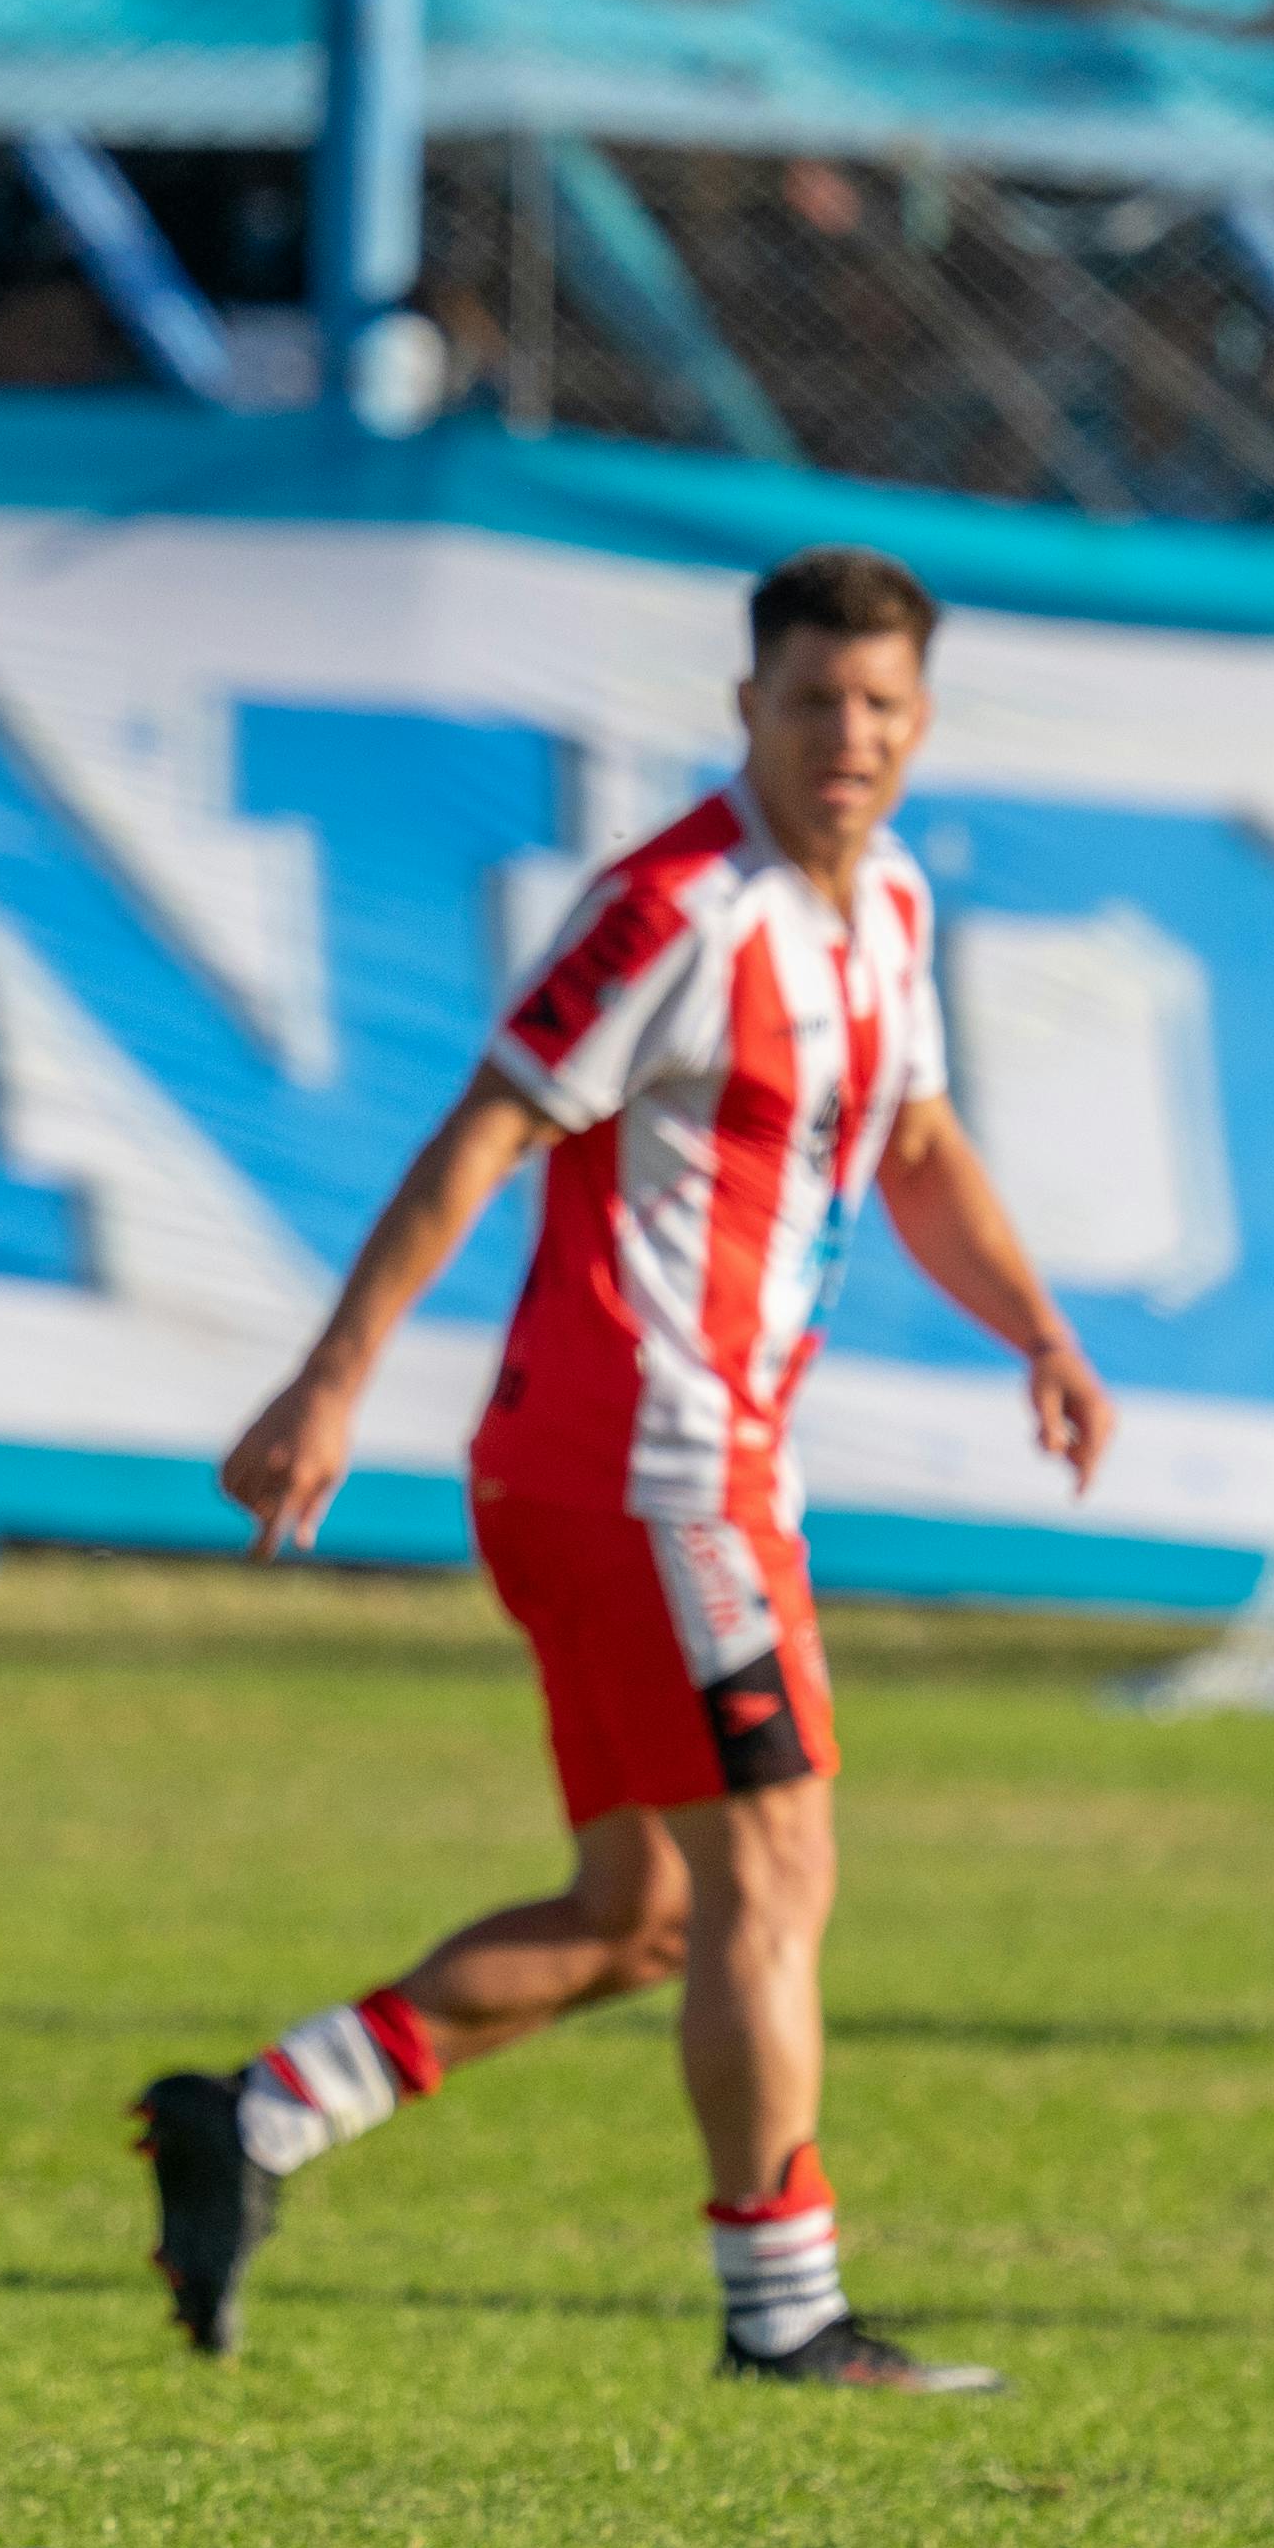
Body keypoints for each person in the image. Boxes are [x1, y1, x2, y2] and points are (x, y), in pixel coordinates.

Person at [133, 544, 1111, 2391]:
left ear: (922, 723)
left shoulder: (885, 906)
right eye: (814, 699)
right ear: (747, 706)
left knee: (642, 1913)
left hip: (670, 1477)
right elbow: (489, 1123)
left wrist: (1040, 1334)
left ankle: (253, 2119)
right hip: (655, 1468)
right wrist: (333, 1380)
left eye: (883, 706)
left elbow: (915, 1147)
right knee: (779, 1869)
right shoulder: (676, 908)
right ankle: (786, 2312)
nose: (849, 737)